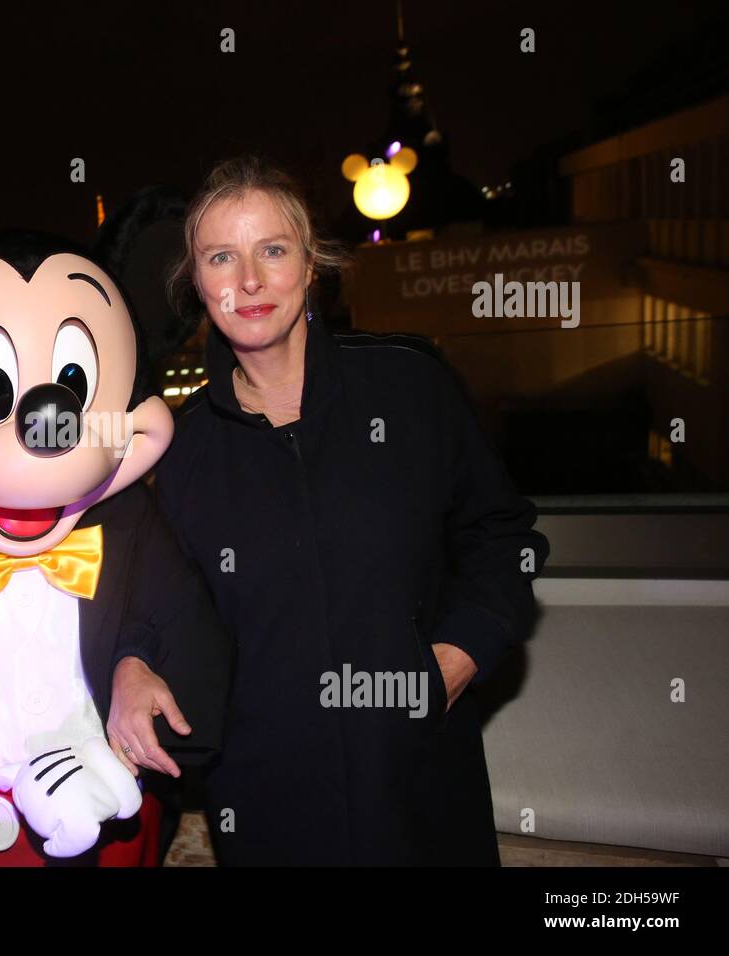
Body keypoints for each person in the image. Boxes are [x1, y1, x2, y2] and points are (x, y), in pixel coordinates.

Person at [115, 156, 550, 865]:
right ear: (197, 283)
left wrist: (449, 664)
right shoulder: (181, 449)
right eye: (222, 257)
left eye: (273, 250)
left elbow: (505, 540)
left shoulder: (409, 386)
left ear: (311, 263)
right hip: (266, 807)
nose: (249, 280)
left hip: (420, 788)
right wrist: (132, 662)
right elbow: (158, 595)